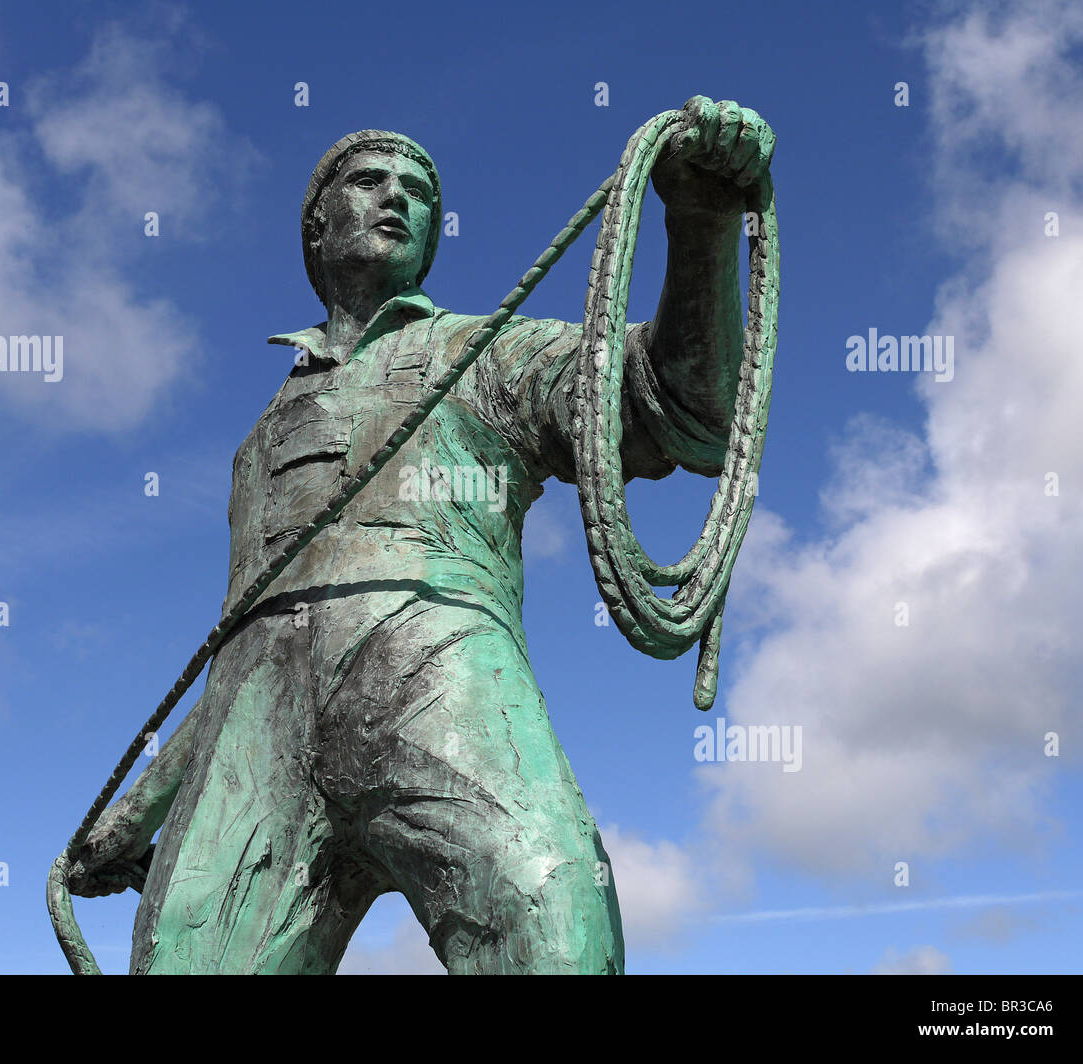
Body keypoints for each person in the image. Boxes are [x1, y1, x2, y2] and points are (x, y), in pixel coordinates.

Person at [67, 96, 775, 974]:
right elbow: (239, 640)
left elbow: (681, 410)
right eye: (369, 181)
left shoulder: (483, 352)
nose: (397, 196)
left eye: (418, 191)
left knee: (551, 921)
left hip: (433, 665)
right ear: (318, 226)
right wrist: (142, 807)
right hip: (256, 725)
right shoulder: (258, 442)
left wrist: (701, 218)